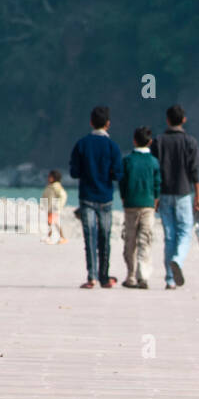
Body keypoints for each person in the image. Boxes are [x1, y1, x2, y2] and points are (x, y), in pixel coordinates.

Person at [68, 106, 123, 288]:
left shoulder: (81, 144)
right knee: (105, 237)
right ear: (108, 124)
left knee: (89, 237)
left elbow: (74, 172)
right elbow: (117, 174)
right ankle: (104, 277)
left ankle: (91, 277)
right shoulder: (113, 147)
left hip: (87, 196)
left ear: (91, 122)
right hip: (105, 197)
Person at [150, 104, 199, 290]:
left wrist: (154, 196)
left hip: (163, 193)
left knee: (169, 236)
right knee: (184, 232)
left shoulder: (158, 141)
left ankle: (170, 279)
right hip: (183, 192)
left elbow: (154, 171)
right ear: (184, 120)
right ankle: (178, 260)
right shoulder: (190, 142)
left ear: (167, 120)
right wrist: (198, 195)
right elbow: (194, 171)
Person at [120, 127, 161, 289]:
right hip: (148, 205)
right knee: (145, 240)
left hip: (130, 205)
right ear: (150, 142)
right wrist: (156, 201)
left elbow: (122, 183)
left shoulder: (128, 160)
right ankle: (143, 275)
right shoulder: (153, 162)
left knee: (130, 241)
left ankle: (131, 275)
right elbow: (157, 184)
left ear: (134, 140)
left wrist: (124, 198)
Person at [41, 170, 67, 244]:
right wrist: (43, 204)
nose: (48, 178)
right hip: (49, 208)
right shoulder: (50, 186)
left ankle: (51, 237)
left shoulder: (56, 187)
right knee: (53, 223)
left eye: (50, 176)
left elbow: (63, 195)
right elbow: (45, 196)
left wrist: (58, 205)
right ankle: (59, 237)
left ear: (54, 178)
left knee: (52, 222)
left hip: (54, 208)